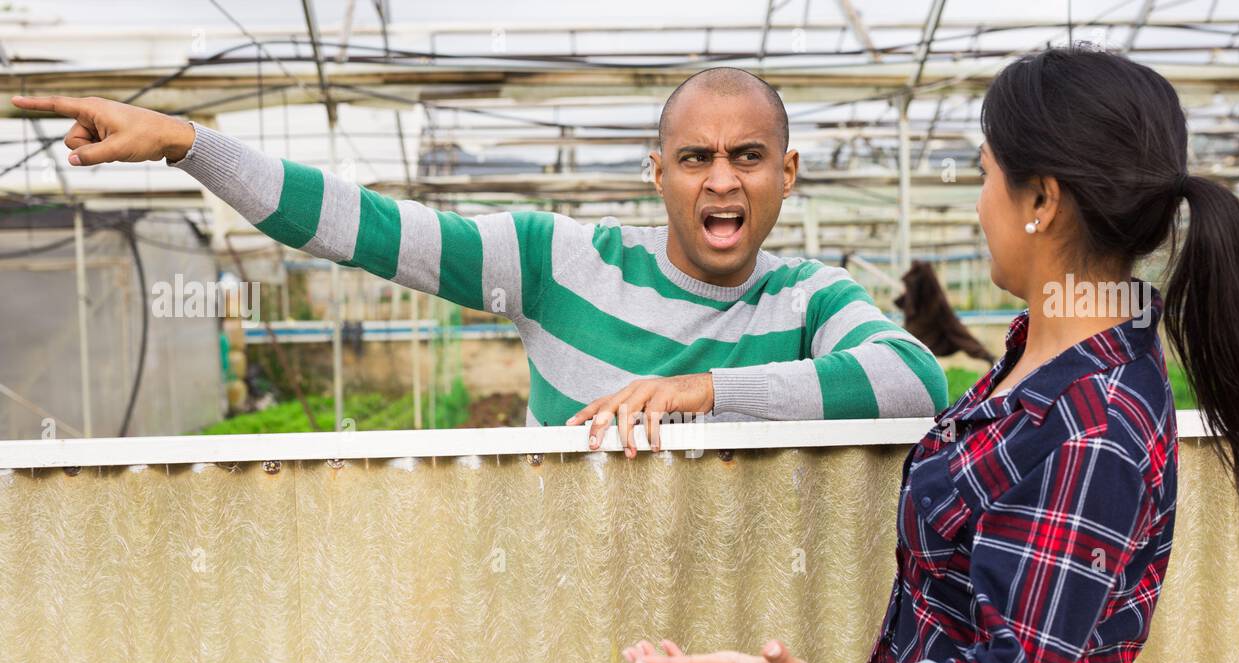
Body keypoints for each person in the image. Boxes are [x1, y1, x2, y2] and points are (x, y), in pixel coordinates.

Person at [622, 47, 1239, 663]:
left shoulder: (1094, 425)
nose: (978, 205)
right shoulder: (1031, 356)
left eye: (985, 176)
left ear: (1041, 200)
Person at [11, 68, 946, 456]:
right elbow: (362, 227)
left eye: (748, 158)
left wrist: (704, 392)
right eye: (695, 159)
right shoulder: (554, 262)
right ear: (657, 174)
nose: (721, 183)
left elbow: (914, 383)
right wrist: (185, 141)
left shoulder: (811, 297)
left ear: (788, 173)